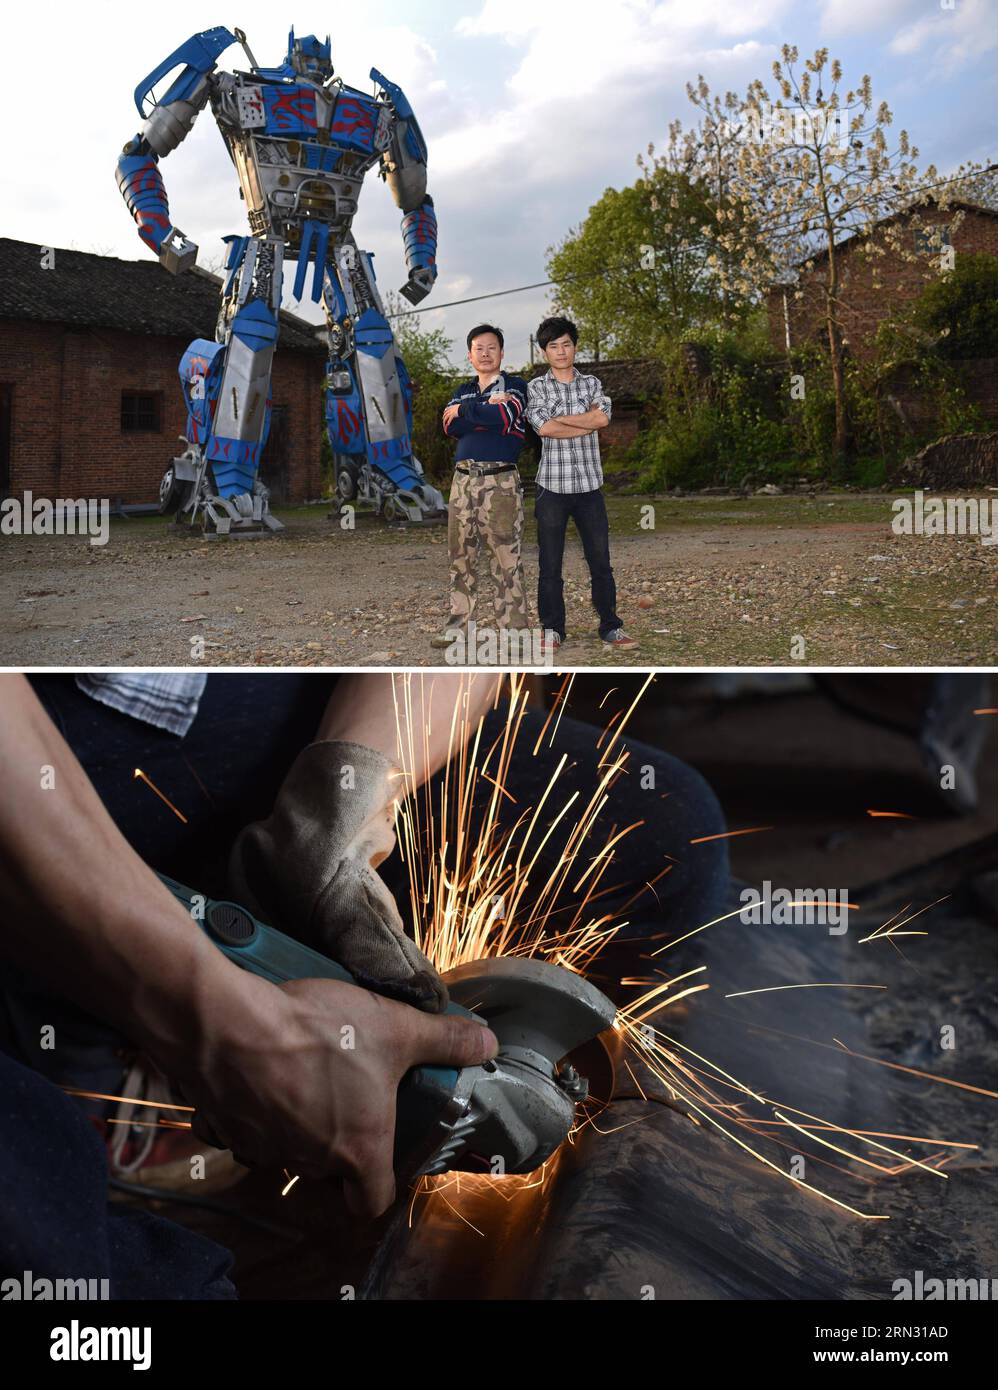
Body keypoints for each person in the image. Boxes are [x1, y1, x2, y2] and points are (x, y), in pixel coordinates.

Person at [0, 672, 729, 1297]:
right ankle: (97, 1048)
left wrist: (341, 813)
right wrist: (217, 1022)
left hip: (207, 706)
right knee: (64, 1231)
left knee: (660, 840)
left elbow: (469, 592)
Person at [525, 316, 637, 654]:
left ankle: (611, 626)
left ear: (575, 346)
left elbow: (602, 418)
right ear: (544, 351)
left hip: (590, 487)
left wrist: (563, 421)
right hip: (552, 490)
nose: (561, 351)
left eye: (566, 344)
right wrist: (584, 423)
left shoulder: (592, 383)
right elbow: (542, 429)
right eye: (553, 346)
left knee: (600, 561)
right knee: (550, 565)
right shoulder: (536, 388)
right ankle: (553, 630)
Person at [434, 325, 530, 650]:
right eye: (479, 348)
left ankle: (514, 634)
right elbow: (449, 424)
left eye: (492, 348)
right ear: (470, 355)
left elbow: (505, 416)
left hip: (500, 480)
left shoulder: (516, 386)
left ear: (502, 353)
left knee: (505, 557)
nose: (486, 353)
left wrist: (467, 412)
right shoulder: (462, 389)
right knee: (460, 556)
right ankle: (458, 629)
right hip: (463, 480)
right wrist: (478, 411)